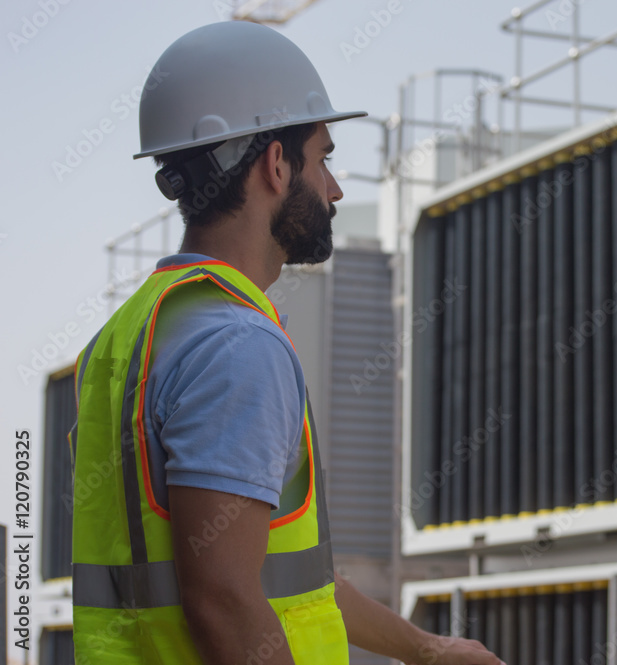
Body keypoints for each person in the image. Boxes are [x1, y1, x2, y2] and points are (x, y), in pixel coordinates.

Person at [70, 21, 502, 665]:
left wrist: (430, 649)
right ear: (276, 164)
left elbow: (294, 583)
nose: (335, 189)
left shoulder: (130, 333)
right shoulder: (238, 344)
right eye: (323, 157)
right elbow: (223, 601)